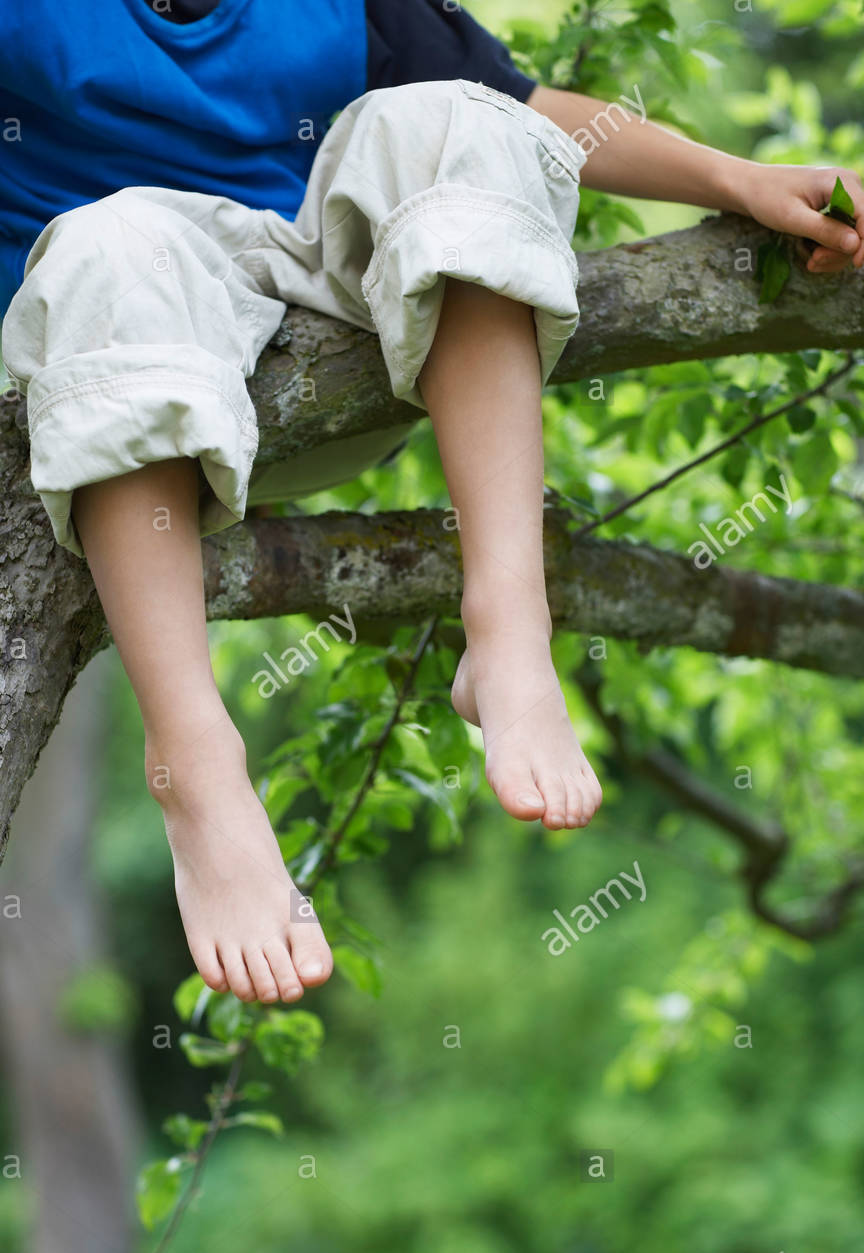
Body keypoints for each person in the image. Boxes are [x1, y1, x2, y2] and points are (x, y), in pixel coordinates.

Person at [2, 1, 861, 1006]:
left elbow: (531, 106)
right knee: (116, 242)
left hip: (339, 332)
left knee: (460, 117)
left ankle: (508, 624)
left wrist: (739, 178)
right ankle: (193, 762)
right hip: (117, 377)